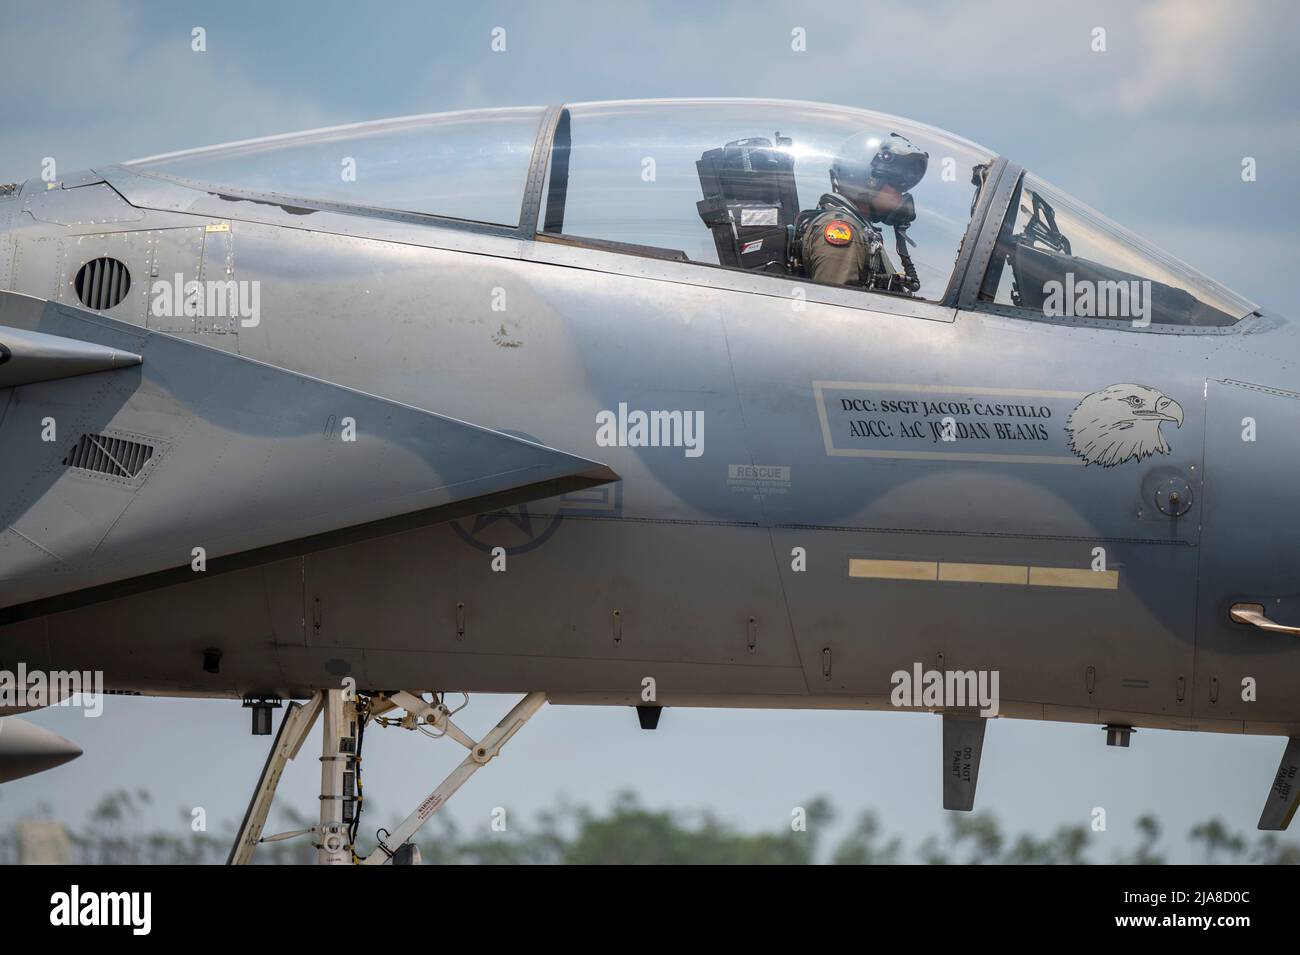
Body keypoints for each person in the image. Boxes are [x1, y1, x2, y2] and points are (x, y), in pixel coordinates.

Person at [797, 132, 929, 290]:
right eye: (896, 183)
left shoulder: (862, 232)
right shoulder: (842, 231)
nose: (901, 194)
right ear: (868, 179)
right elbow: (833, 305)